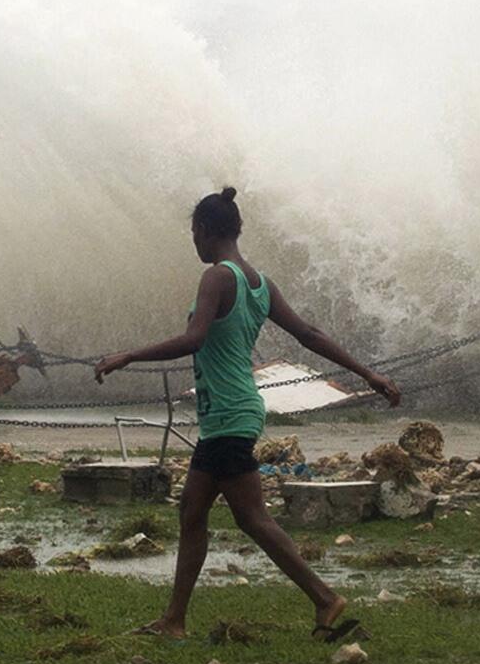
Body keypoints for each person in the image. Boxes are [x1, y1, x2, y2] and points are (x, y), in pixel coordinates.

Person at [95, 186, 400, 641]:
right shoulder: (260, 282)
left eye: (193, 234)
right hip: (230, 412)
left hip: (230, 414)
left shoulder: (218, 277)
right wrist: (367, 373)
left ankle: (324, 599)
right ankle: (174, 620)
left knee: (252, 517)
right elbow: (310, 334)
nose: (193, 243)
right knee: (192, 512)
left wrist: (128, 355)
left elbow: (195, 338)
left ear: (202, 231)